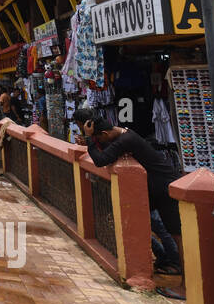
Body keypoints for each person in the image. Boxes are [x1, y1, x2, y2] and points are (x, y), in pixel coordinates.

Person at [73, 108, 182, 273]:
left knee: (169, 229)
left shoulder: (126, 139)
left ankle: (176, 264)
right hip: (152, 186)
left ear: (104, 133)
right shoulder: (123, 134)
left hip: (162, 186)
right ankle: (167, 258)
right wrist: (91, 141)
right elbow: (105, 149)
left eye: (98, 138)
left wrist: (89, 139)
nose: (99, 141)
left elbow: (101, 160)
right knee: (147, 221)